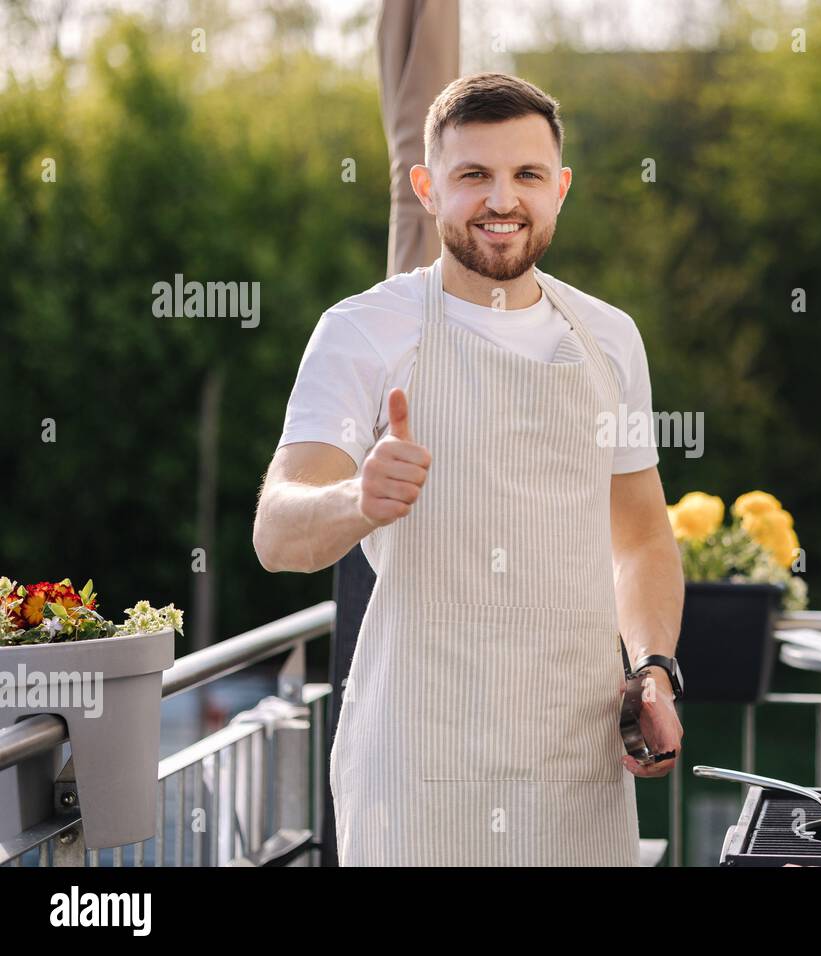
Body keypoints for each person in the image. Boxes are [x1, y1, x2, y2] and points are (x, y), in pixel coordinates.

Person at [252, 72, 685, 865]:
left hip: (577, 767)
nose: (502, 200)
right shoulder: (363, 331)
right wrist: (358, 498)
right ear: (427, 187)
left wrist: (654, 668)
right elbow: (278, 533)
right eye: (473, 175)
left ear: (560, 189)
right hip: (416, 766)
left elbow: (643, 541)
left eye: (526, 176)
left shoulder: (610, 339)